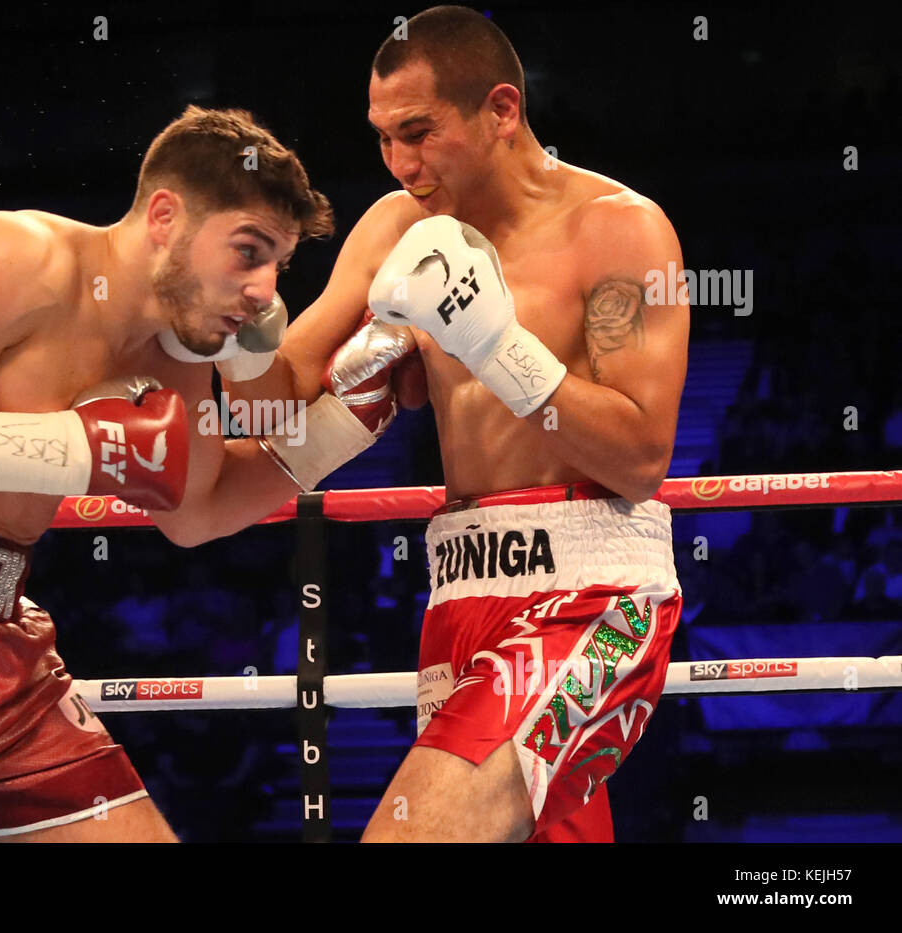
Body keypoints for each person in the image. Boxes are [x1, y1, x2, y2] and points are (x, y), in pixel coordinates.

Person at [0, 105, 413, 843]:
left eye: (278, 265)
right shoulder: (14, 257)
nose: (263, 290)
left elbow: (196, 514)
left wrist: (345, 427)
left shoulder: (178, 362)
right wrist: (75, 448)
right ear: (165, 215)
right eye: (248, 251)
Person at [241, 6, 689, 841]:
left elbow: (641, 456)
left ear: (502, 110)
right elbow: (289, 379)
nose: (400, 163)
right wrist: (225, 333)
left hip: (595, 597)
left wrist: (492, 342)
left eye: (419, 131)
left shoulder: (617, 228)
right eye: (382, 137)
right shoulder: (395, 227)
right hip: (459, 592)